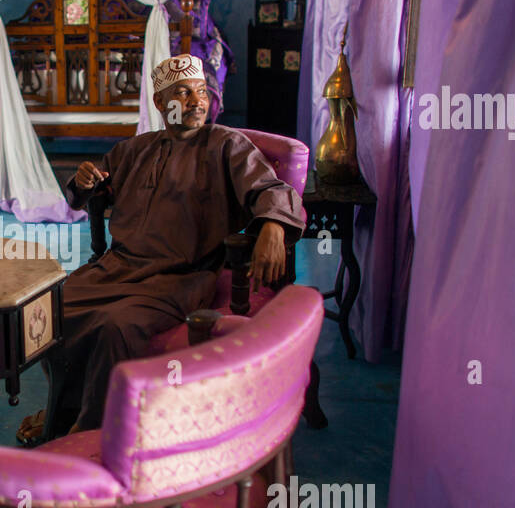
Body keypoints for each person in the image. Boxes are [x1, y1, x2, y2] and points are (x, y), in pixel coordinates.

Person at [19, 53, 306, 442]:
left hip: (180, 276)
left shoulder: (227, 145)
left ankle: (96, 434)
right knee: (47, 309)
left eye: (201, 92)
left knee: (116, 326)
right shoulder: (134, 150)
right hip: (119, 267)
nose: (196, 102)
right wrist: (84, 181)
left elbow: (272, 190)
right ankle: (65, 409)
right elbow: (81, 195)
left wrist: (273, 224)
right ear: (160, 103)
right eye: (183, 93)